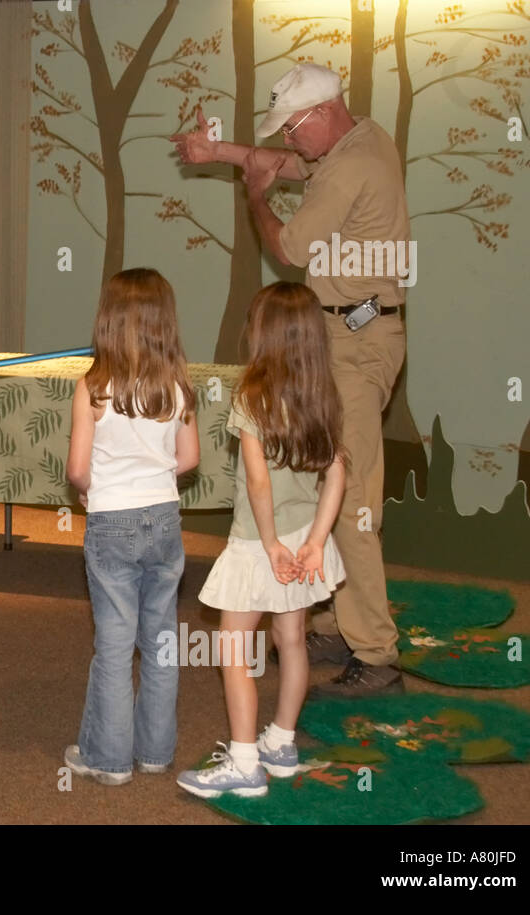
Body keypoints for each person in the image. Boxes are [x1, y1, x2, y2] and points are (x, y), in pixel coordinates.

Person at [171, 63, 408, 696]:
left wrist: (252, 195)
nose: (289, 141)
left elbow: (290, 249)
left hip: (355, 343)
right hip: (343, 335)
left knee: (350, 495)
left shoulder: (349, 165)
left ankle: (377, 652)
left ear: (323, 114)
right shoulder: (360, 138)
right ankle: (331, 617)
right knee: (318, 476)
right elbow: (288, 163)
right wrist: (220, 152)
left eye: (292, 128)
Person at [177, 283, 347, 798]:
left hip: (261, 544)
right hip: (303, 541)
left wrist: (270, 544)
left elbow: (257, 482)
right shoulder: (324, 392)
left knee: (232, 648)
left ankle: (246, 762)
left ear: (263, 333)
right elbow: (337, 472)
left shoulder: (252, 393)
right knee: (292, 641)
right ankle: (282, 742)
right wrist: (316, 541)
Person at [62, 268, 199, 785]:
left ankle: (108, 760)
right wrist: (151, 472)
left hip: (111, 519)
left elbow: (78, 469)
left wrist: (91, 486)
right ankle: (156, 752)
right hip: (164, 518)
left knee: (115, 645)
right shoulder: (178, 384)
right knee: (161, 639)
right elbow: (188, 459)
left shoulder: (93, 386)